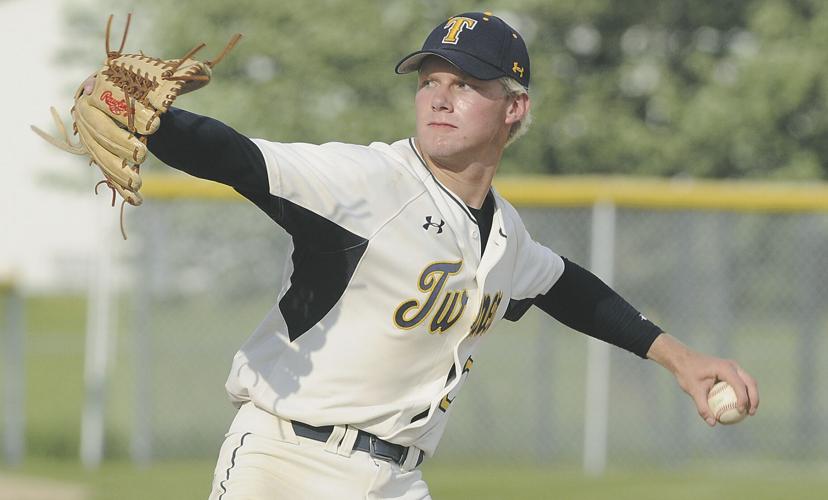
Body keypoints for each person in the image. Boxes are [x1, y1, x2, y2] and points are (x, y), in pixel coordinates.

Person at [93, 11, 759, 499]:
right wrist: (155, 122)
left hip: (395, 478)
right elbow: (240, 159)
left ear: (513, 108)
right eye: (430, 79)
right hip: (284, 465)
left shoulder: (504, 236)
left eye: (467, 84)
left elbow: (566, 288)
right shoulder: (364, 184)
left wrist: (680, 357)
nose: (440, 94)